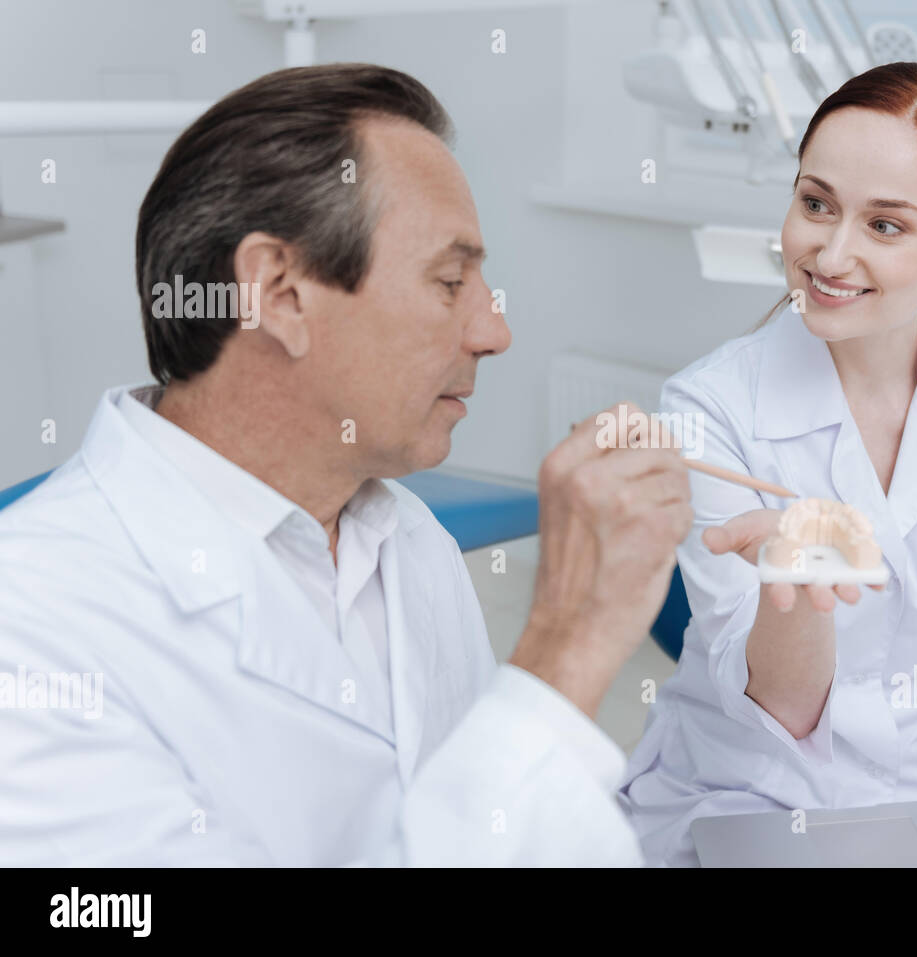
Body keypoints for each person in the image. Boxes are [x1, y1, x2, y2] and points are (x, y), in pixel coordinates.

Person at [0, 64, 692, 866]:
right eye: (449, 280)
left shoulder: (405, 537)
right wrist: (566, 648)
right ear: (282, 294)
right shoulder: (33, 636)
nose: (492, 330)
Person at [618, 63, 917, 868]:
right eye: (815, 204)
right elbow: (780, 707)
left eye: (886, 225)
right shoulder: (709, 406)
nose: (830, 256)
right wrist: (795, 595)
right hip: (740, 786)